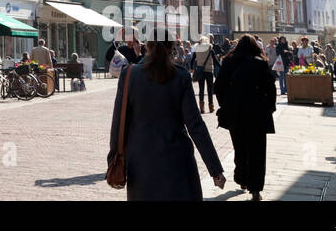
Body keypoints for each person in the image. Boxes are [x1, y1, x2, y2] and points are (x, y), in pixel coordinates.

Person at [107, 37, 226, 200]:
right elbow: (195, 125)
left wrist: (113, 159)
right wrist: (214, 168)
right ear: (172, 49)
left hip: (141, 162)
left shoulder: (129, 75)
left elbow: (118, 123)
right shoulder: (180, 76)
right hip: (176, 161)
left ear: (146, 47)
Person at [214, 35, 277, 201]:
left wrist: (225, 104)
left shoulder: (228, 62)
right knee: (257, 150)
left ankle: (242, 178)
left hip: (235, 112)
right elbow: (270, 88)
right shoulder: (260, 63)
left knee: (239, 146)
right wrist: (269, 108)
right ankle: (255, 189)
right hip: (256, 112)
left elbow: (218, 86)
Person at [190, 35, 219, 112]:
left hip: (200, 71)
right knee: (209, 89)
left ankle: (202, 108)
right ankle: (211, 106)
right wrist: (221, 67)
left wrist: (192, 69)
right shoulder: (210, 48)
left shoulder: (197, 49)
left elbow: (192, 60)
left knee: (201, 89)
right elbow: (215, 61)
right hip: (209, 71)